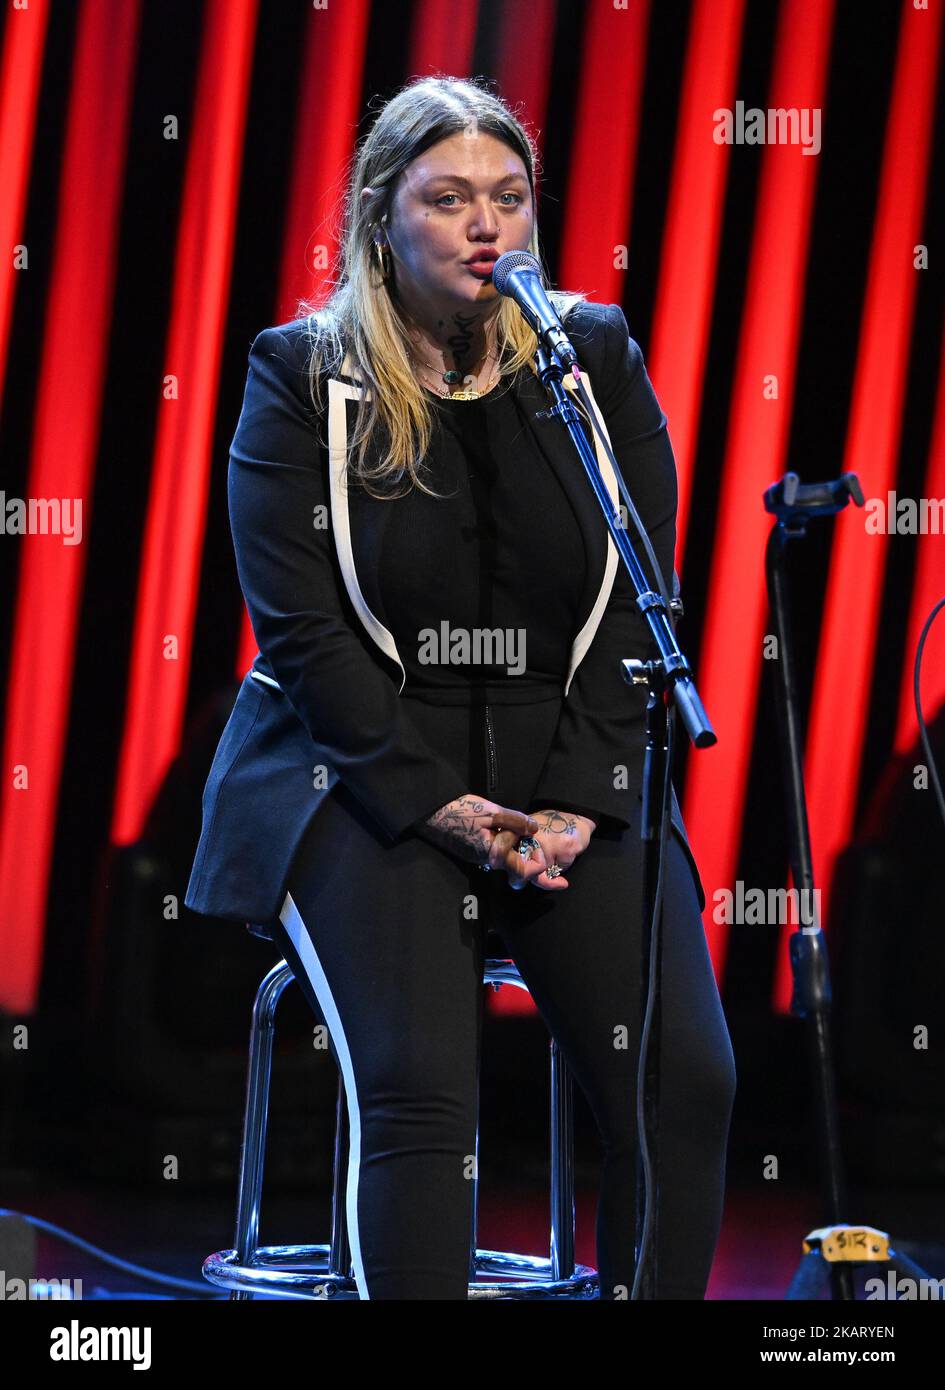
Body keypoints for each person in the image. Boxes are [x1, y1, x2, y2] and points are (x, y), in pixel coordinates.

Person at [185, 74, 736, 1301]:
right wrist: (444, 805)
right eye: (448, 199)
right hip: (365, 774)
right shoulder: (302, 373)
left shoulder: (587, 359)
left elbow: (641, 591)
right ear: (382, 216)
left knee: (683, 1076)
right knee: (423, 1088)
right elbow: (303, 632)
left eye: (510, 196)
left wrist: (582, 799)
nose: (490, 226)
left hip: (566, 778)